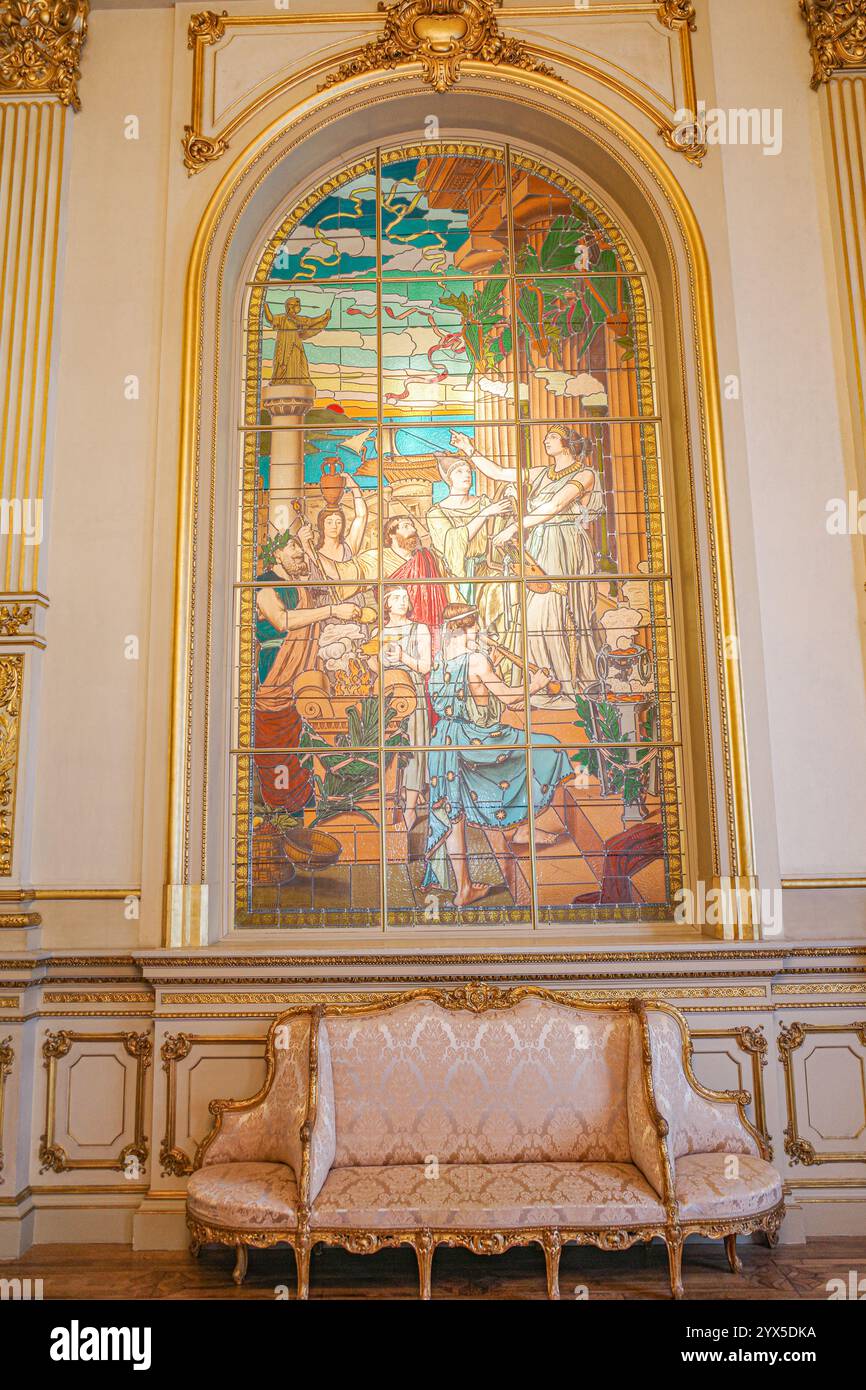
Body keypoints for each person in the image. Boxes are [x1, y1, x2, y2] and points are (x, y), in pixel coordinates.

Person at [422, 602, 572, 908]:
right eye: (475, 625)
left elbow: (483, 697)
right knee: (546, 749)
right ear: (464, 628)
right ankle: (517, 830)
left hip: (444, 742)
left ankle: (466, 884)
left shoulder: (440, 659)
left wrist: (496, 676)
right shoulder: (476, 660)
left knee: (453, 815)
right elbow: (508, 698)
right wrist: (538, 683)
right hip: (474, 739)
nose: (479, 630)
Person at [465, 425, 605, 702]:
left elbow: (554, 505)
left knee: (556, 612)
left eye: (552, 436)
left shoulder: (585, 474)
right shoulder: (541, 472)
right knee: (534, 614)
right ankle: (543, 679)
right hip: (539, 545)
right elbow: (499, 473)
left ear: (567, 443)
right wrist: (470, 451)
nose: (546, 440)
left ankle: (566, 683)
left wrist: (514, 528)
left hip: (566, 547)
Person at [254, 533, 359, 811]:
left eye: (299, 545)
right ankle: (281, 808)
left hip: (303, 672)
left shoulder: (300, 584)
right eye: (292, 546)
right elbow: (282, 620)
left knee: (303, 734)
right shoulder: (265, 585)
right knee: (276, 736)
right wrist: (333, 610)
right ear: (276, 554)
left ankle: (306, 802)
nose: (299, 551)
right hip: (276, 668)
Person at [380, 586, 432, 832]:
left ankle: (410, 807)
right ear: (386, 603)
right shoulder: (378, 632)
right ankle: (394, 798)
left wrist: (402, 657)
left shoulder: (419, 629)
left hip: (413, 696)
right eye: (396, 598)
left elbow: (424, 666)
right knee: (391, 750)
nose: (403, 602)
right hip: (387, 697)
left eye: (406, 598)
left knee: (414, 749)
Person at [264, 297, 331, 385]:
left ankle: (297, 384)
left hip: (296, 346)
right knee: (283, 364)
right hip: (284, 346)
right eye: (298, 305)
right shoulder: (281, 318)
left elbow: (310, 322)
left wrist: (324, 317)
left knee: (299, 365)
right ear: (291, 306)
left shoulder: (299, 319)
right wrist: (265, 306)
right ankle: (281, 383)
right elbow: (270, 319)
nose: (300, 307)